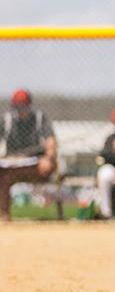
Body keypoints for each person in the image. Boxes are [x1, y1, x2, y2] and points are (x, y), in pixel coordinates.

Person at [0, 89, 58, 222]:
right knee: (3, 177)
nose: (21, 109)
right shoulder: (7, 120)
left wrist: (49, 157)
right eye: (18, 106)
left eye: (23, 106)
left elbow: (51, 141)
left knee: (48, 165)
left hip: (35, 164)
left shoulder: (39, 118)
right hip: (12, 165)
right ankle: (5, 216)